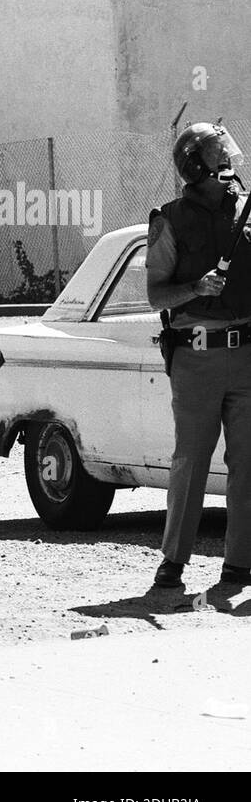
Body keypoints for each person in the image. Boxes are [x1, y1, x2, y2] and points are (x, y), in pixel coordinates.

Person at [147, 122, 251, 589]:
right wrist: (195, 287)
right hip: (196, 356)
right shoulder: (169, 218)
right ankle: (173, 559)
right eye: (216, 152)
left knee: (248, 461)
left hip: (246, 352)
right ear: (195, 164)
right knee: (190, 459)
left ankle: (240, 562)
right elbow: (155, 296)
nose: (227, 157)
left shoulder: (247, 210)